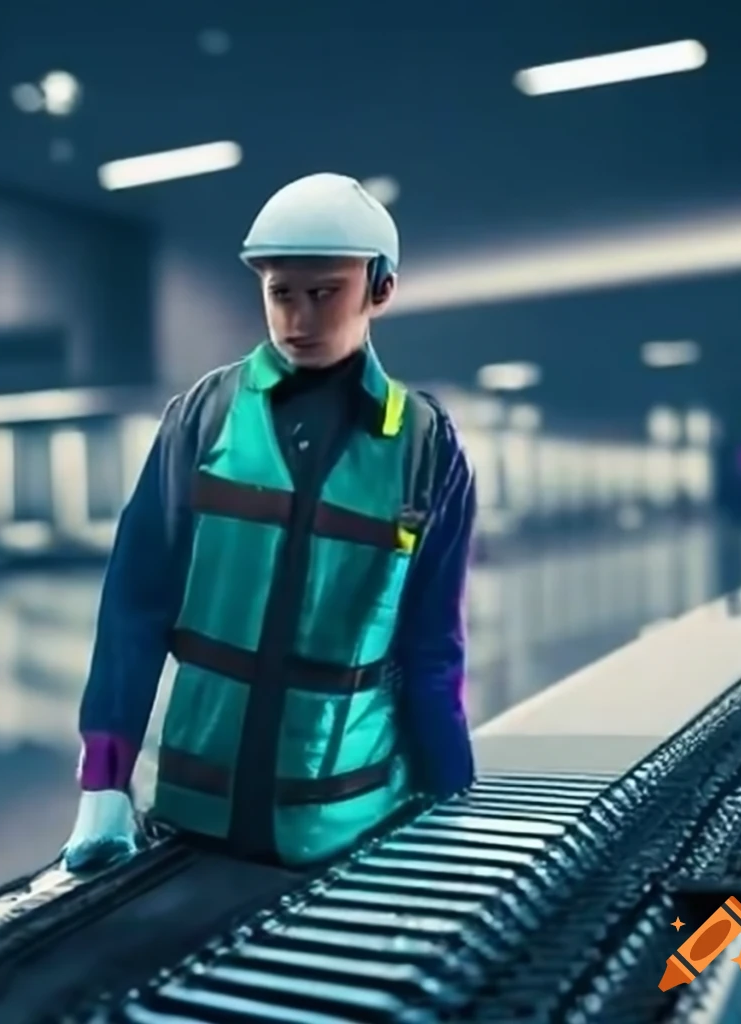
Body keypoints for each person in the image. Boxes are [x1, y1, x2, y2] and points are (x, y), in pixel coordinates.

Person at [62, 172, 477, 871]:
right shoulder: (205, 418)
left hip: (353, 827)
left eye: (324, 293)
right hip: (196, 819)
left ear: (381, 289)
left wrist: (454, 800)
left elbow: (432, 651)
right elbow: (134, 610)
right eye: (281, 293)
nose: (297, 320)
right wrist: (104, 783)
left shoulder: (426, 450)